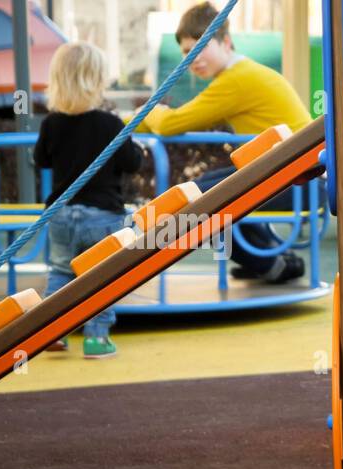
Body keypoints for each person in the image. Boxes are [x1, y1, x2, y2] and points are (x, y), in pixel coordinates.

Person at [134, 2, 315, 283]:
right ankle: (272, 259)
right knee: (207, 188)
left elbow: (171, 124)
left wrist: (143, 113)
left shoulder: (236, 80)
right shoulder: (241, 74)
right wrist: (128, 125)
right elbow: (171, 119)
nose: (193, 58)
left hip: (298, 179)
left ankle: (268, 264)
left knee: (206, 202)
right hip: (292, 173)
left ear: (226, 42)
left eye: (201, 47)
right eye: (186, 52)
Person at [35, 42, 144, 359]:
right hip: (102, 214)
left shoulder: (51, 123)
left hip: (61, 213)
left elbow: (40, 159)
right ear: (97, 81)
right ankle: (96, 337)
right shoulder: (109, 124)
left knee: (60, 272)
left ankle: (53, 331)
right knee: (102, 275)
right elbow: (132, 161)